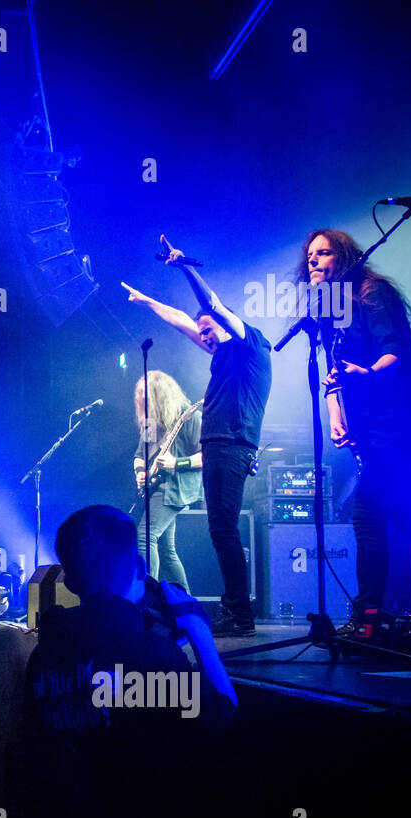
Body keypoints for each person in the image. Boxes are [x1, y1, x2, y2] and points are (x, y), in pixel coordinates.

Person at [22, 505, 237, 818]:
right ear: (139, 568)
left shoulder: (43, 655)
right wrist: (199, 633)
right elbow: (224, 717)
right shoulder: (150, 654)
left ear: (70, 582)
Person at [122, 234, 272, 635]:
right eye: (202, 333)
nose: (203, 335)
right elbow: (183, 320)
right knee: (218, 529)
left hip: (232, 446)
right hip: (218, 446)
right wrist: (148, 302)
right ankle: (227, 610)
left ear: (225, 327)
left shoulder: (251, 347)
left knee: (222, 528)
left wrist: (184, 265)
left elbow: (213, 307)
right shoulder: (222, 353)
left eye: (210, 330)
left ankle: (240, 614)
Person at [299, 229, 411, 632]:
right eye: (309, 256)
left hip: (395, 425)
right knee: (409, 517)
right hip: (368, 430)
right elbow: (334, 371)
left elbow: (395, 351)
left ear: (343, 257)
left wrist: (369, 374)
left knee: (369, 516)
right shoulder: (327, 309)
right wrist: (335, 412)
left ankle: (367, 617)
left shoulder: (371, 293)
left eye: (323, 253)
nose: (313, 261)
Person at [131, 370, 202, 591]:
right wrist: (140, 472)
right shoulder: (151, 423)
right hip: (157, 486)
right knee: (166, 549)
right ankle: (187, 602)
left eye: (146, 392)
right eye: (139, 393)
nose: (141, 397)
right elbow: (139, 456)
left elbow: (207, 455)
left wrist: (176, 463)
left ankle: (147, 595)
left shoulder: (189, 416)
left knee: (144, 537)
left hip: (175, 487)